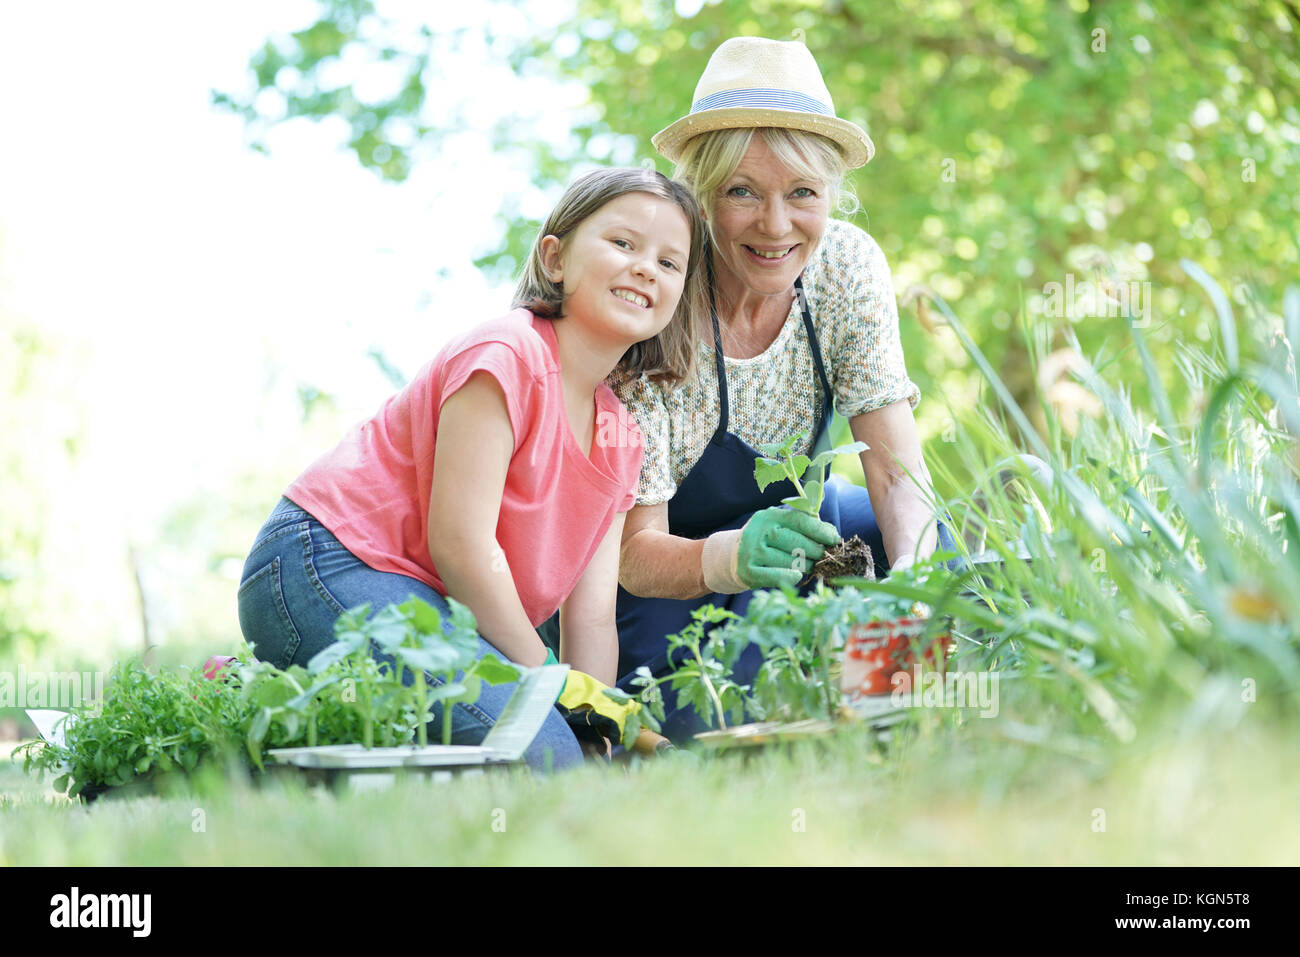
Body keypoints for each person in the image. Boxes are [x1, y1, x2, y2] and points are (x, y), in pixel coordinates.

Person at [236, 167, 710, 770]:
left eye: (670, 263)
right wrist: (552, 687)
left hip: (438, 608)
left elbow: (589, 615)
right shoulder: (506, 355)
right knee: (543, 756)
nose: (646, 267)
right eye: (623, 243)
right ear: (555, 258)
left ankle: (301, 743)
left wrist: (603, 724)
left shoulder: (621, 437)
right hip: (324, 564)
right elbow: (461, 545)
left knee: (578, 760)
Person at [610, 37, 959, 742]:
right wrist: (731, 557)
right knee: (693, 721)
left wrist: (905, 605)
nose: (776, 225)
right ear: (703, 194)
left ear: (831, 194)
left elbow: (895, 474)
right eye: (743, 191)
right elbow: (629, 549)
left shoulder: (847, 269)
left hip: (808, 531)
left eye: (803, 193)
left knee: (925, 550)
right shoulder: (659, 297)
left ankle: (888, 728)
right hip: (674, 567)